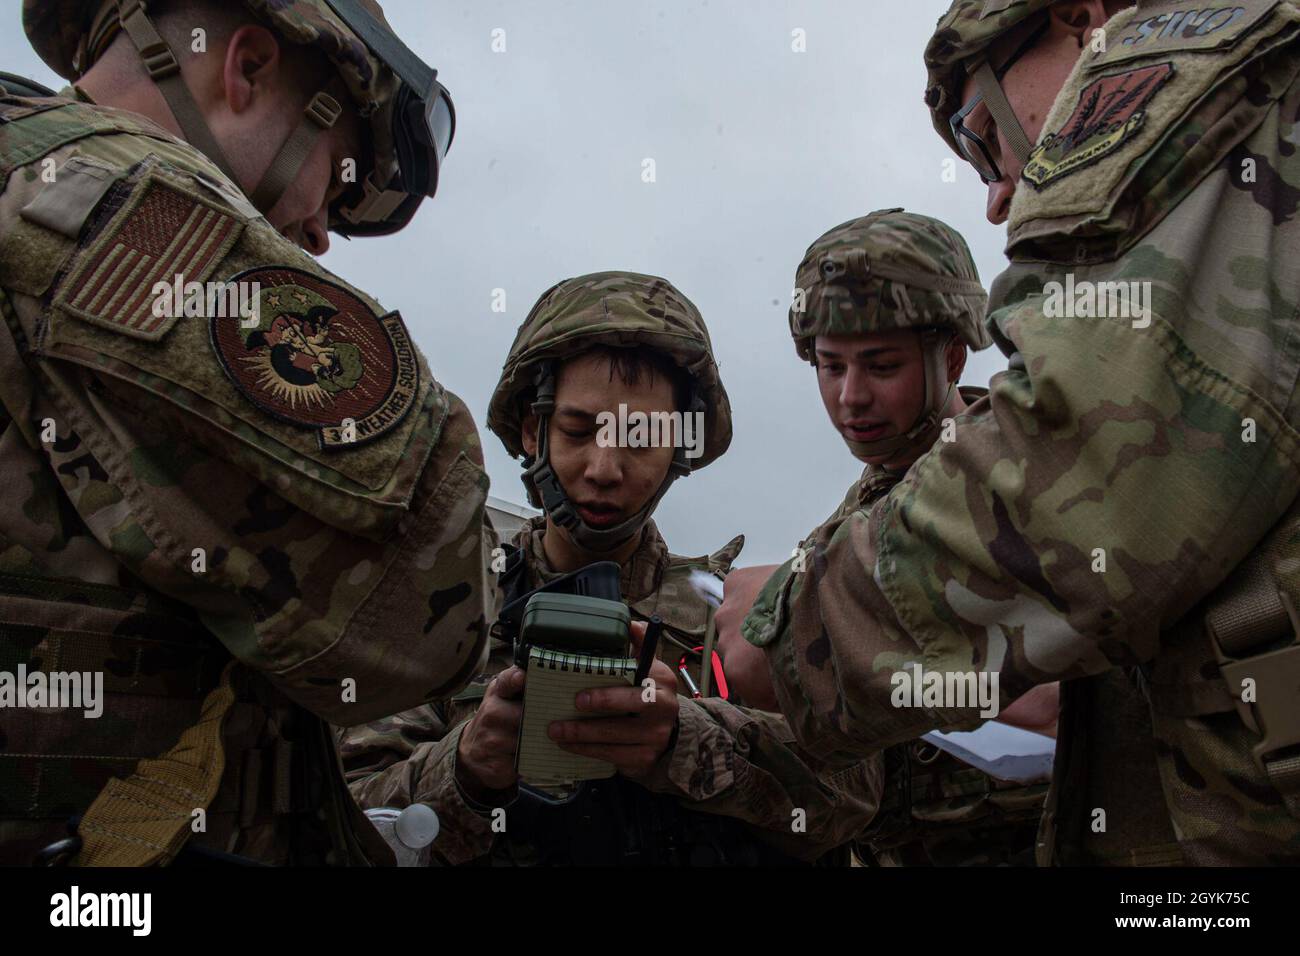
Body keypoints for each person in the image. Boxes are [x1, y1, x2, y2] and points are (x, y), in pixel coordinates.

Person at [734, 0, 1300, 865]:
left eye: (980, 133)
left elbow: (1095, 489)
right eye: (828, 364)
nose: (999, 195)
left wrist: (788, 636)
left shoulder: (1220, 76)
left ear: (1085, 19)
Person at [2, 0, 496, 865]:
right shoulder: (115, 202)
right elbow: (428, 595)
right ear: (249, 68)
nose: (319, 235)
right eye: (338, 179)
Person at [339, 271, 882, 865]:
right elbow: (345, 820)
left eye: (640, 439)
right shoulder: (440, 607)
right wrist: (467, 766)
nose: (604, 467)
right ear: (531, 429)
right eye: (578, 430)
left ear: (678, 449)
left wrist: (686, 738)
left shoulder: (737, 620)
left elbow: (854, 797)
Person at [718, 209, 1053, 865]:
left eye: (879, 365)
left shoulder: (1027, 477)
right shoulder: (856, 518)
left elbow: (1062, 703)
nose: (851, 398)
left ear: (952, 356)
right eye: (830, 366)